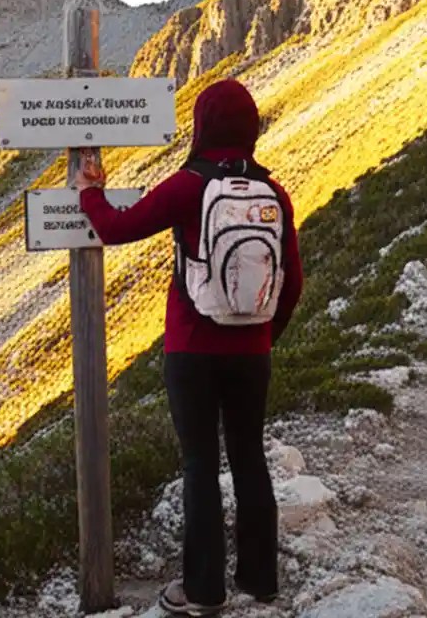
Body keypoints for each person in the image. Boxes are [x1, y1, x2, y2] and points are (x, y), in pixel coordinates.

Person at [76, 78, 304, 616]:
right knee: (249, 457)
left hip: (192, 349)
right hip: (252, 353)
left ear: (203, 125)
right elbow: (292, 282)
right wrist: (263, 337)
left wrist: (89, 191)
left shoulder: (189, 185)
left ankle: (202, 593)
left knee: (200, 464)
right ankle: (260, 581)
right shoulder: (274, 193)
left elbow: (116, 228)